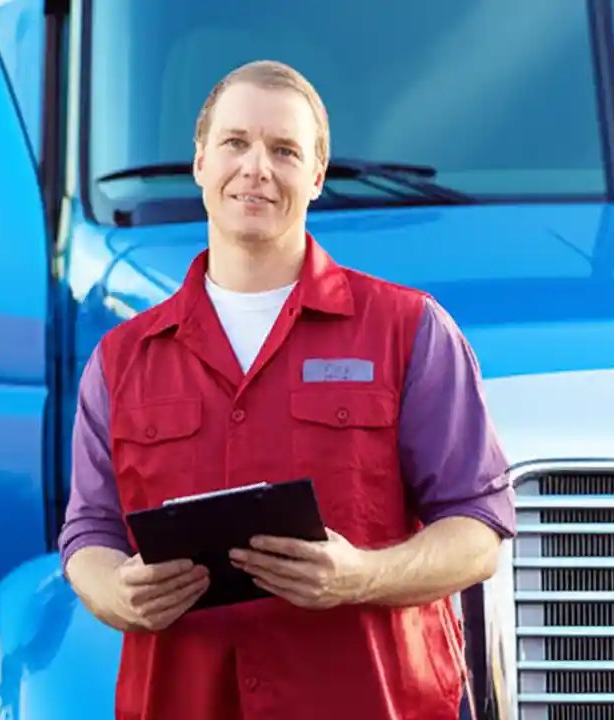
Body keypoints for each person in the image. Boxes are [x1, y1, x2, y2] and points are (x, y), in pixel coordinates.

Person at [59, 59, 516, 720]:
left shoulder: (409, 331)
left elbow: (479, 533)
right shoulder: (121, 359)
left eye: (284, 151)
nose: (256, 168)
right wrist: (117, 594)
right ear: (200, 163)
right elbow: (89, 534)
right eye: (236, 143)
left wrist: (364, 576)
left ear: (318, 176)